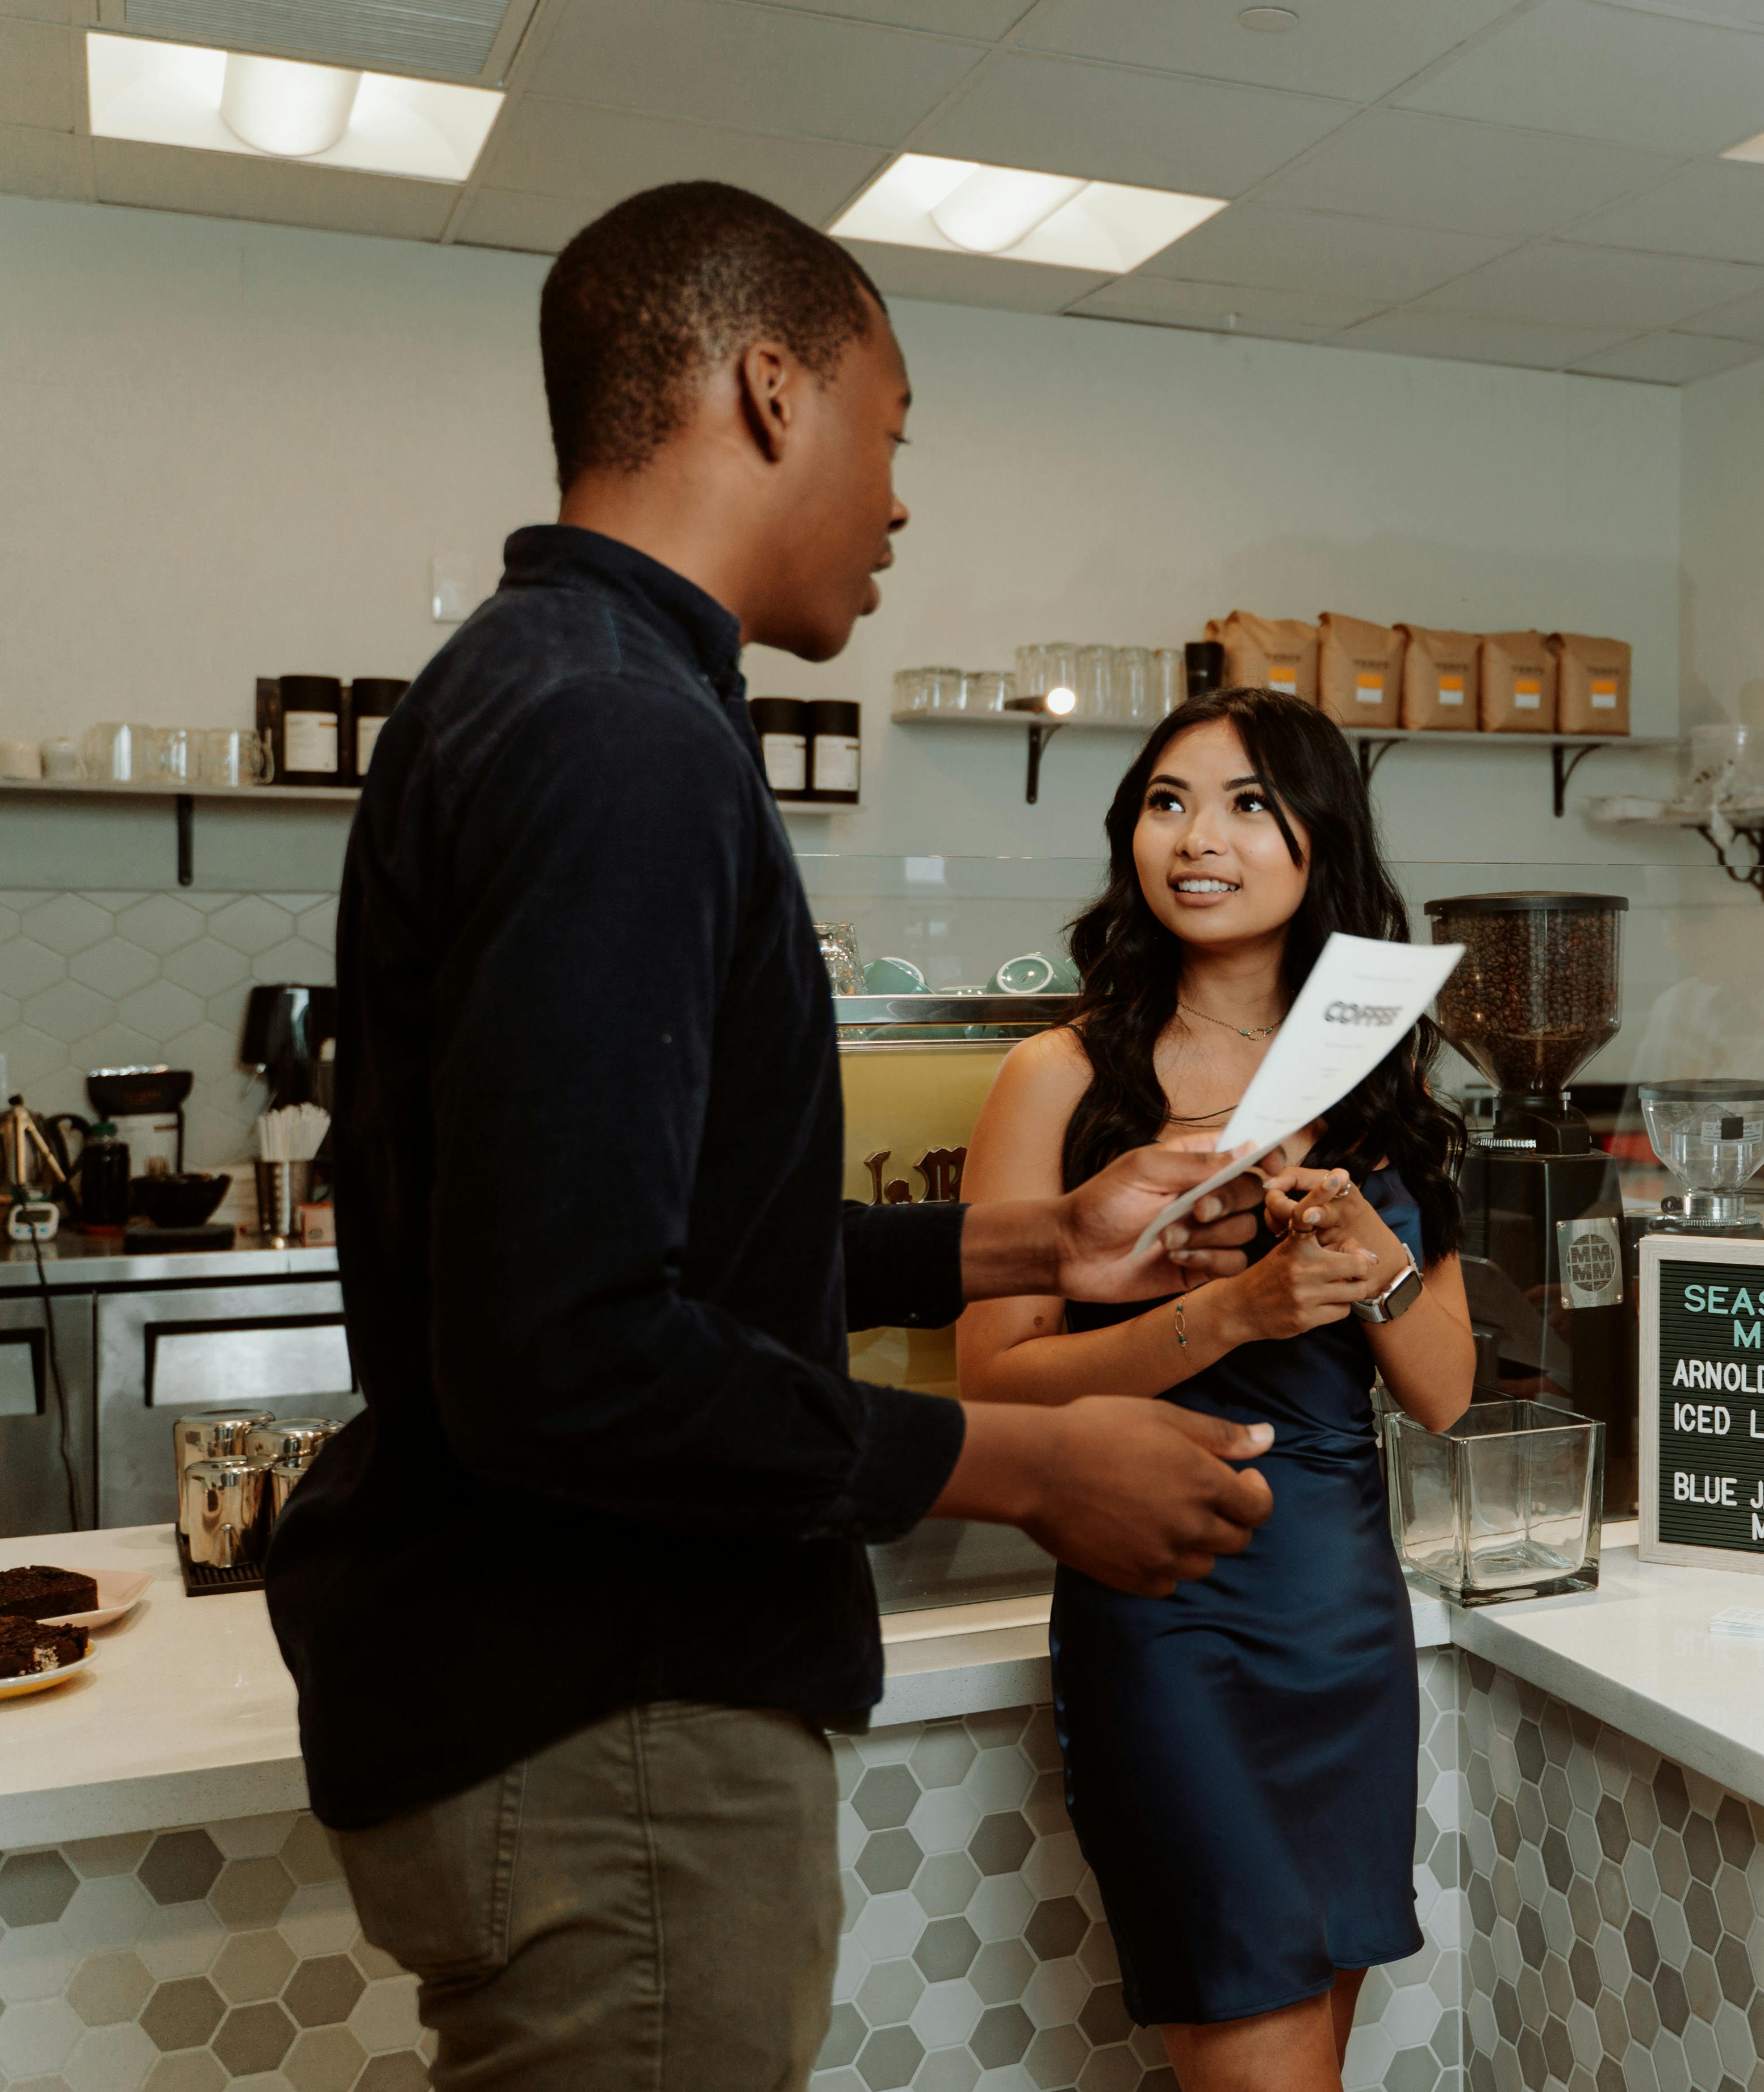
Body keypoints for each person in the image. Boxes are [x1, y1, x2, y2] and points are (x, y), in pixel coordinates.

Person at [263, 184, 1295, 2092]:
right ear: (766, 389)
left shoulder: (553, 687)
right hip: (613, 1712)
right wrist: (1027, 1461)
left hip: (560, 1700)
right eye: (889, 432)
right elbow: (570, 1354)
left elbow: (661, 1255)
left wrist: (1030, 1246)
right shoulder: (620, 735)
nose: (899, 500)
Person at [956, 689, 1476, 2092]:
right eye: (1168, 802)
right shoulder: (1055, 1078)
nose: (1199, 837)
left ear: (1321, 842)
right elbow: (994, 1384)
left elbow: (1443, 1391)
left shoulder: (1382, 1080)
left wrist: (1376, 1274)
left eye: (1250, 803)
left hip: (1341, 1612)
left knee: (1313, 2049)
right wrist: (1230, 1310)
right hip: (1167, 1611)